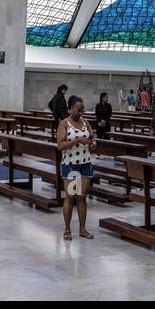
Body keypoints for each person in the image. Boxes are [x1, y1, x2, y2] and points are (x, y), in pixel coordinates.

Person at [56, 95, 96, 239]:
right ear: (70, 108)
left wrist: (93, 145)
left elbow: (92, 140)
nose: (80, 113)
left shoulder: (86, 122)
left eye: (82, 111)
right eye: (78, 110)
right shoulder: (64, 124)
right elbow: (60, 146)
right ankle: (67, 229)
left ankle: (83, 229)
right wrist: (76, 141)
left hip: (85, 164)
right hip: (71, 165)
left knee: (82, 197)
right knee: (70, 197)